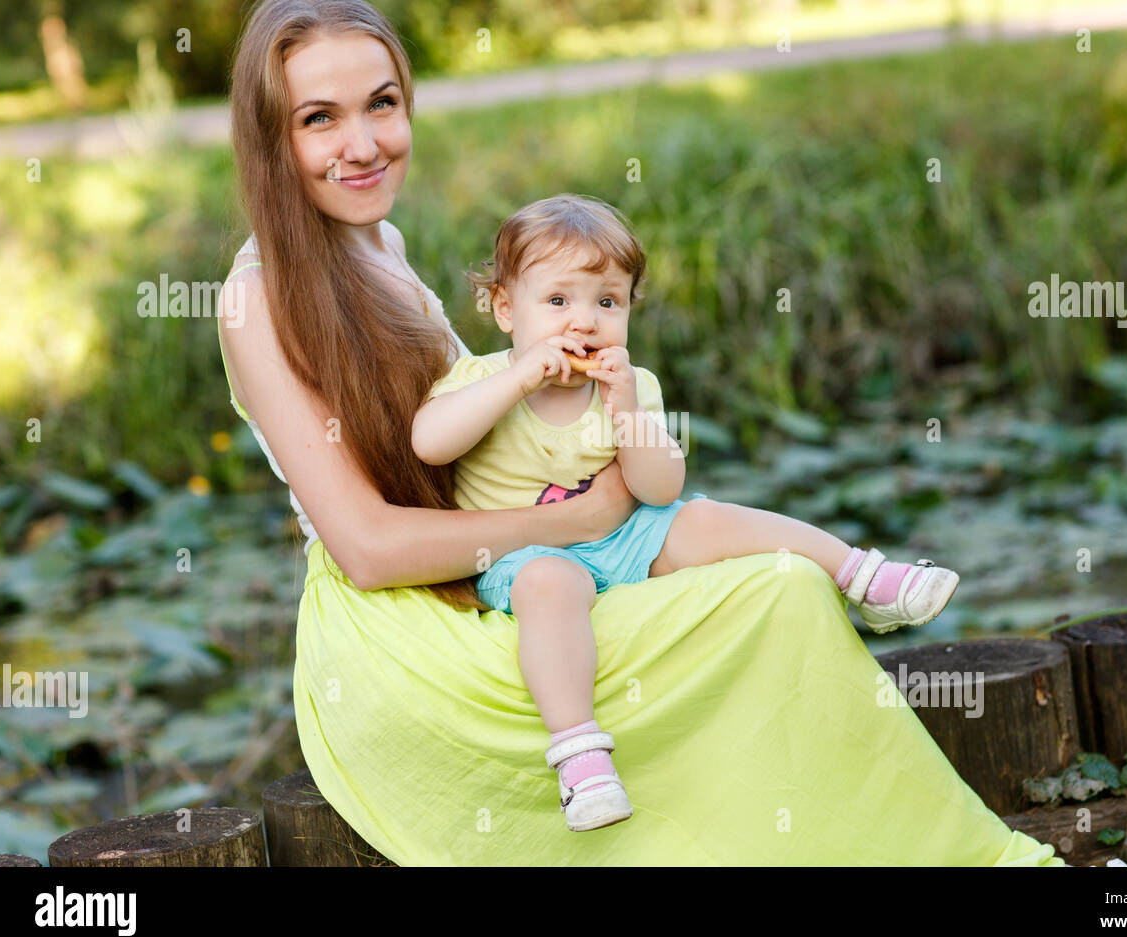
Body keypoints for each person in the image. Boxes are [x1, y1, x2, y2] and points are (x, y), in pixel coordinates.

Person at [217, 0, 1066, 864]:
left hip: (496, 558)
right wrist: (575, 521)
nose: (363, 144)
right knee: (770, 601)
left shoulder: (380, 244)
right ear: (268, 137)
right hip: (402, 624)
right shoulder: (258, 296)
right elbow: (365, 546)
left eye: (382, 103)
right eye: (319, 118)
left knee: (777, 580)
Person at [413, 194, 963, 832]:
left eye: (607, 302)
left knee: (706, 517)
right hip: (525, 557)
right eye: (558, 301)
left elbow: (659, 486)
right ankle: (581, 756)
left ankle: (863, 576)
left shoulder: (631, 384)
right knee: (550, 584)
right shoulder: (478, 380)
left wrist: (626, 410)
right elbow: (431, 442)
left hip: (624, 537)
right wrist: (518, 380)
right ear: (507, 310)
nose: (583, 322)